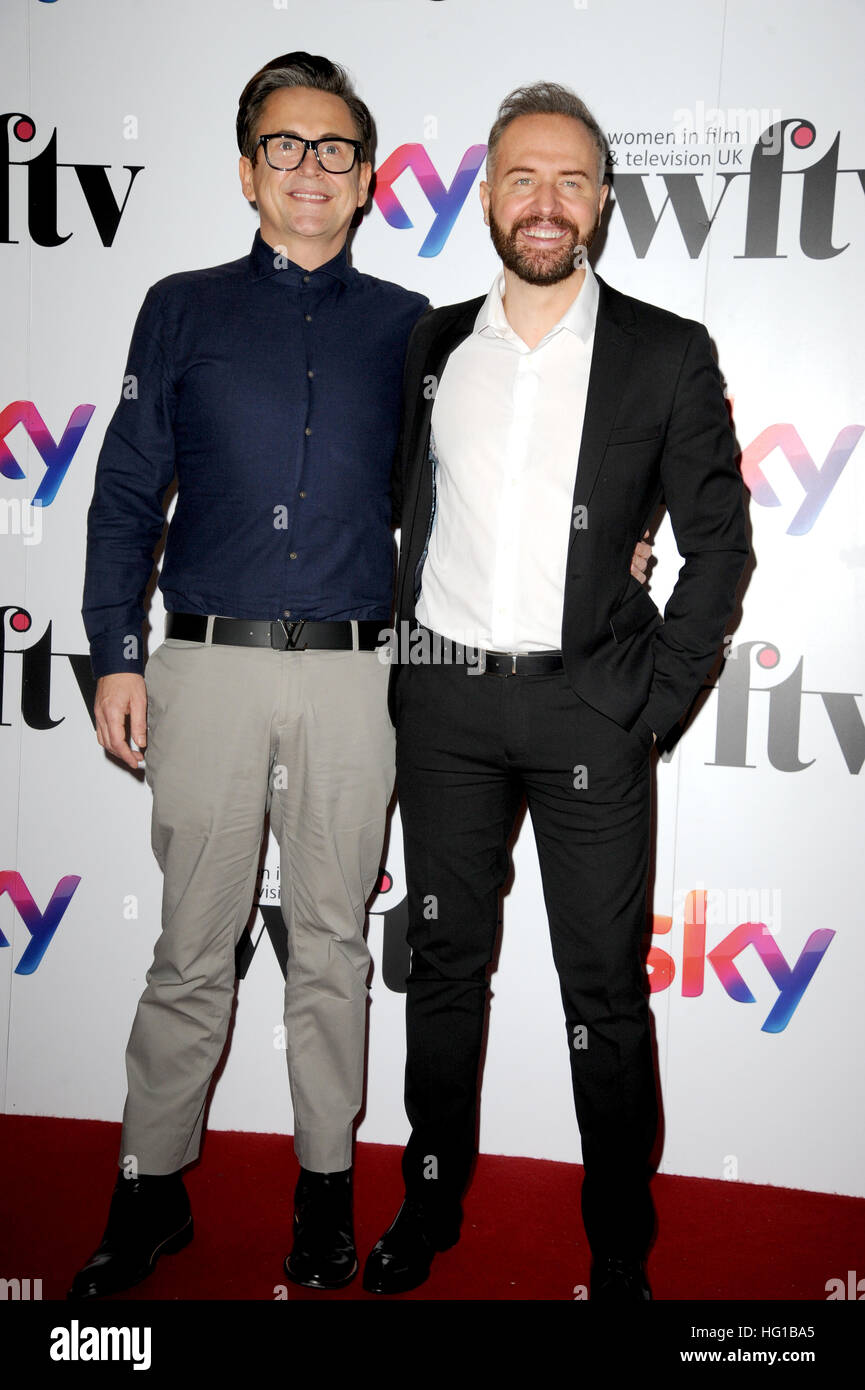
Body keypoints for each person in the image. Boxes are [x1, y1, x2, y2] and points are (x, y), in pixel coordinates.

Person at [363, 81, 749, 1301]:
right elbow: (400, 509)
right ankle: (429, 1205)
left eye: (571, 180)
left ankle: (618, 1245)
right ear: (484, 195)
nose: (545, 202)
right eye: (522, 177)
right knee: (441, 968)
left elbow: (721, 547)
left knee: (604, 993)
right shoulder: (429, 344)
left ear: (601, 201)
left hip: (590, 709)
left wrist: (654, 697)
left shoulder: (664, 351)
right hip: (441, 705)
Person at [69, 51, 429, 1300]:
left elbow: (468, 500)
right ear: (245, 169)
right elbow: (123, 492)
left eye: (334, 148)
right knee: (191, 947)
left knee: (331, 944)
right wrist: (114, 650)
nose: (311, 169)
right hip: (204, 667)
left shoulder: (412, 327)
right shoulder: (178, 305)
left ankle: (324, 1196)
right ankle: (148, 1193)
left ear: (368, 172)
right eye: (285, 145)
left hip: (352, 676)